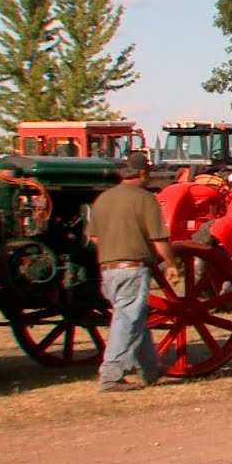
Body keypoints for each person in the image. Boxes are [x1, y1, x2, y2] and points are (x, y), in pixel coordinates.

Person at [87, 152, 179, 392]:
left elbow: (94, 237)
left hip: (107, 270)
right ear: (142, 173)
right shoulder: (144, 198)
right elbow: (159, 238)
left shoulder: (103, 199)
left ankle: (149, 369)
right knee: (127, 319)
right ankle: (111, 375)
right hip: (132, 269)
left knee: (133, 317)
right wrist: (171, 263)